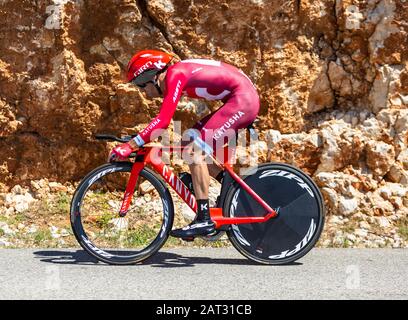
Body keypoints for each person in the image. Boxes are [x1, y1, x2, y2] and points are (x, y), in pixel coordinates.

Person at [109, 50, 260, 239]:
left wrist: (130, 145)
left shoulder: (175, 75)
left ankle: (204, 218)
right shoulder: (177, 73)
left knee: (195, 150)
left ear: (152, 76)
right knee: (188, 141)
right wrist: (136, 140)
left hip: (243, 101)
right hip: (239, 98)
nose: (144, 93)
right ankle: (229, 188)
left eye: (141, 85)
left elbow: (163, 122)